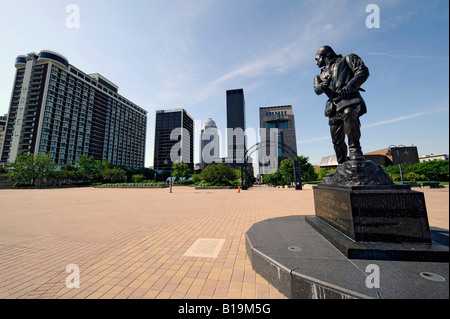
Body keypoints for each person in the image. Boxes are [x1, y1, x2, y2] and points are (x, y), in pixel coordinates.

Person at [313, 46, 369, 164]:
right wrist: (322, 86)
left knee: (349, 114)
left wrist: (351, 85)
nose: (316, 62)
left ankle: (355, 152)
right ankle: (342, 163)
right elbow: (317, 90)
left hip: (348, 99)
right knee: (336, 138)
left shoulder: (348, 59)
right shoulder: (319, 76)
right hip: (333, 106)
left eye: (317, 58)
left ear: (323, 55)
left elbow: (363, 71)